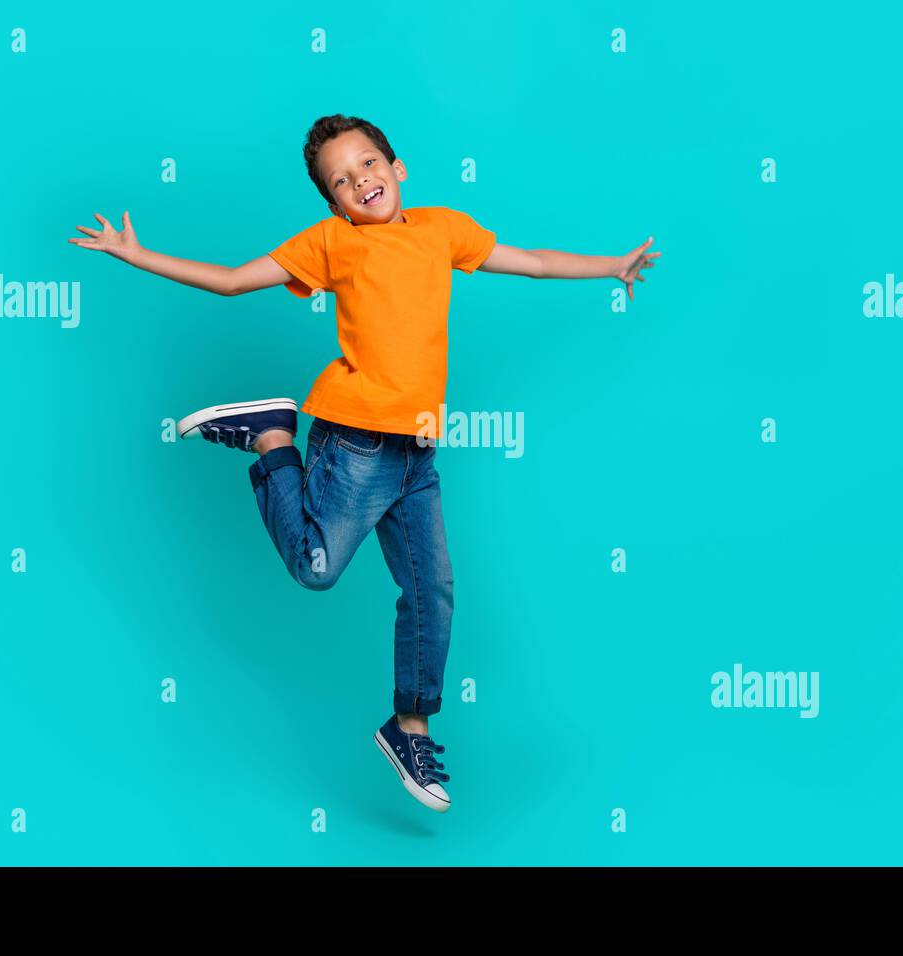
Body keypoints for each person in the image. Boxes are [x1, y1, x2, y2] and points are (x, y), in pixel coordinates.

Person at [69, 113, 660, 812]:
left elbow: (529, 259)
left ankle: (408, 726)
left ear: (397, 166)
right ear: (333, 204)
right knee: (315, 568)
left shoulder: (443, 229)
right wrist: (137, 255)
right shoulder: (333, 243)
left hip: (416, 452)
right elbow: (232, 281)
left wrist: (611, 266)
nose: (362, 183)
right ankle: (270, 437)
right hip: (356, 442)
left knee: (432, 591)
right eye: (342, 182)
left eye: (369, 165)